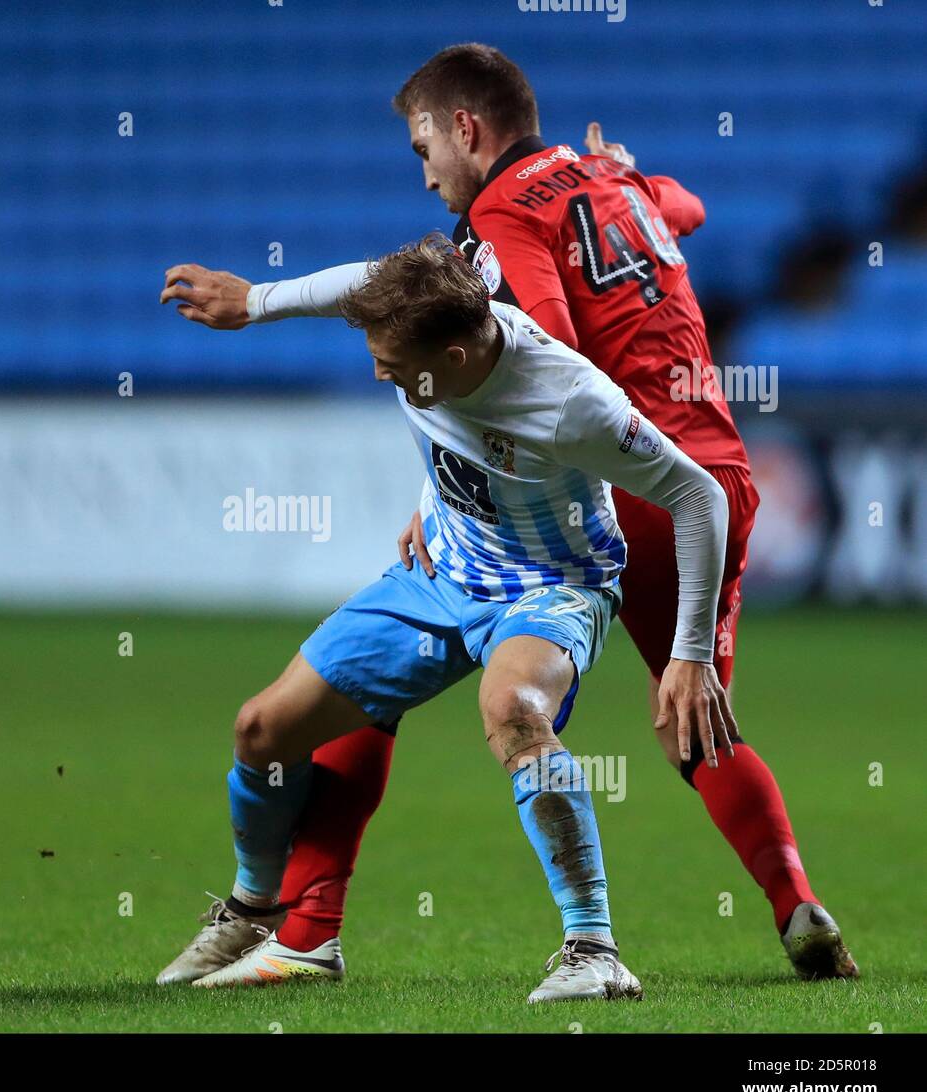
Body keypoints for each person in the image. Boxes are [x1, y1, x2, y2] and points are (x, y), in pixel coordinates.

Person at [157, 43, 856, 985]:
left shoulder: (502, 216)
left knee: (440, 703)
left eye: (423, 146)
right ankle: (794, 900)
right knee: (691, 717)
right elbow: (684, 210)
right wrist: (628, 180)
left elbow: (539, 355)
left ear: (467, 129)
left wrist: (463, 460)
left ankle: (326, 927)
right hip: (713, 461)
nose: (426, 171)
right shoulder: (607, 183)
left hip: (623, 479)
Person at [160, 236, 735, 1002]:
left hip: (552, 585)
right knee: (261, 730)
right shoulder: (420, 306)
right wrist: (253, 303)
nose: (378, 372)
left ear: (460, 359)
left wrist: (689, 652)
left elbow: (700, 495)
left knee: (513, 709)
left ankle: (593, 948)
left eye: (393, 367)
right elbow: (353, 283)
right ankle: (256, 911)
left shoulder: (570, 401)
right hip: (442, 571)